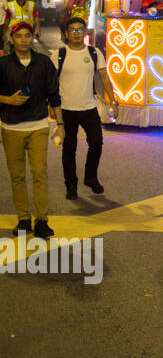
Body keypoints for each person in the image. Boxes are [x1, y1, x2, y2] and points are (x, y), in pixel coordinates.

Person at [1, 21, 62, 237]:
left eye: (28, 35)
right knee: (17, 176)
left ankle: (42, 221)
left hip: (38, 125)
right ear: (12, 39)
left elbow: (54, 94)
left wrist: (60, 126)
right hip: (11, 127)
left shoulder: (43, 63)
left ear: (32, 38)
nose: (24, 40)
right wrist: (6, 99)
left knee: (39, 173)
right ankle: (24, 219)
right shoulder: (4, 64)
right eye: (19, 36)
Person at [56, 16, 114, 200]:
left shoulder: (94, 53)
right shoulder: (59, 54)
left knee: (96, 143)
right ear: (66, 33)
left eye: (80, 29)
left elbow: (104, 77)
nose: (76, 33)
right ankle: (71, 185)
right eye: (72, 30)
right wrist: (52, 106)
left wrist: (112, 100)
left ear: (85, 33)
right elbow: (50, 83)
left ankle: (90, 177)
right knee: (69, 148)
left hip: (89, 107)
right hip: (66, 109)